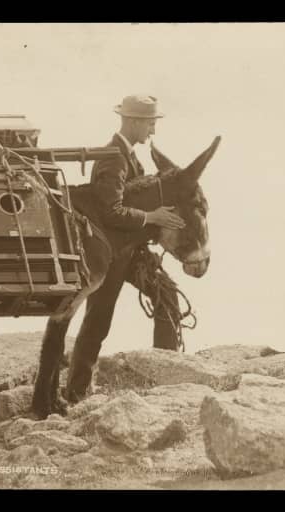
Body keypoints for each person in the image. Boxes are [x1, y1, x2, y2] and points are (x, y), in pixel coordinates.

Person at [64, 95, 187, 401]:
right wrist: (151, 216)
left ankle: (165, 374)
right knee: (98, 320)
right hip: (109, 254)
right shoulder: (113, 157)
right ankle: (77, 392)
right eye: (149, 123)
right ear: (133, 122)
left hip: (130, 251)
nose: (153, 131)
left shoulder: (129, 156)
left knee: (166, 295)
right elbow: (110, 212)